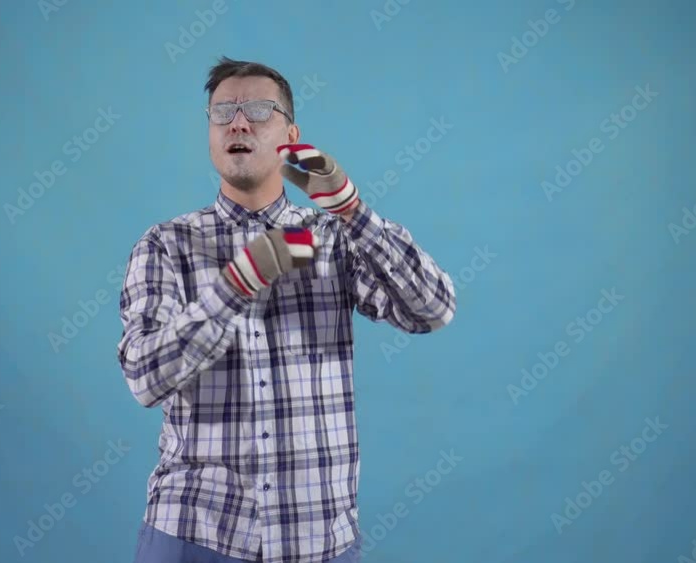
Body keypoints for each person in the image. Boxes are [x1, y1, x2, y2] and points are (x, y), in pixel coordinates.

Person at [117, 56, 456, 563]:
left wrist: (352, 209)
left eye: (258, 109)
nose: (238, 122)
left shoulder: (333, 240)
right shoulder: (168, 244)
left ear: (291, 135)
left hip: (317, 539)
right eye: (223, 112)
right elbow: (146, 376)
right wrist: (239, 281)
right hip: (196, 536)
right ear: (209, 132)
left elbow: (432, 308)